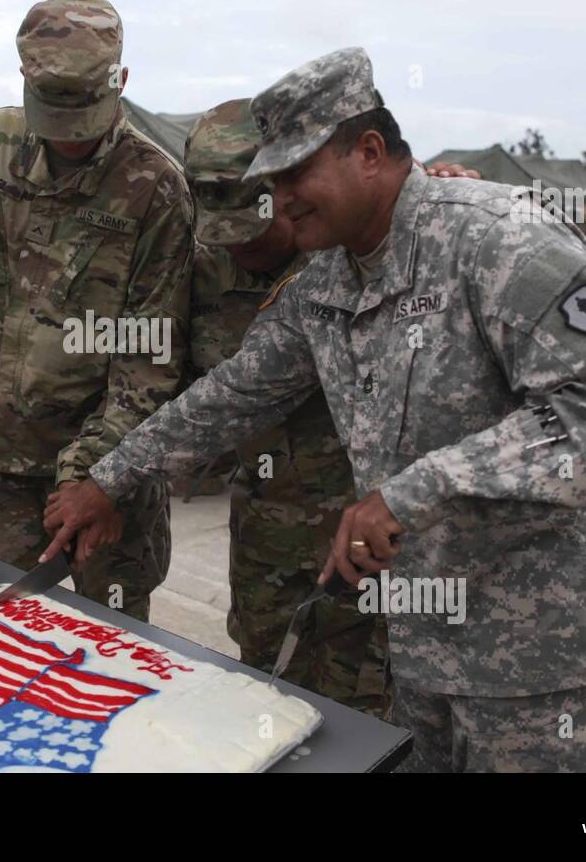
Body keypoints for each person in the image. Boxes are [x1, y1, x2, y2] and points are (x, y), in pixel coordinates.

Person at [43, 47, 586, 771]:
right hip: (422, 645)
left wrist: (415, 492)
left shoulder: (499, 239)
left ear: (369, 150)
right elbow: (232, 394)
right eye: (270, 182)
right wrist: (110, 479)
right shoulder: (327, 281)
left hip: (542, 662)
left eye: (296, 174)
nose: (279, 201)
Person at [0, 0, 193, 621]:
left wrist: (97, 475)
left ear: (121, 81)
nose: (69, 139)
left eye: (86, 116)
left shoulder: (154, 188)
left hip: (110, 467)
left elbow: (149, 360)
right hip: (4, 457)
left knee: (115, 645)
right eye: (53, 113)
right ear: (25, 81)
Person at [183, 99, 385, 712]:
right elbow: (192, 394)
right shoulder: (198, 268)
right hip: (264, 535)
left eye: (251, 226)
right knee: (267, 700)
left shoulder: (346, 258)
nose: (237, 247)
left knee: (367, 711)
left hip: (365, 538)